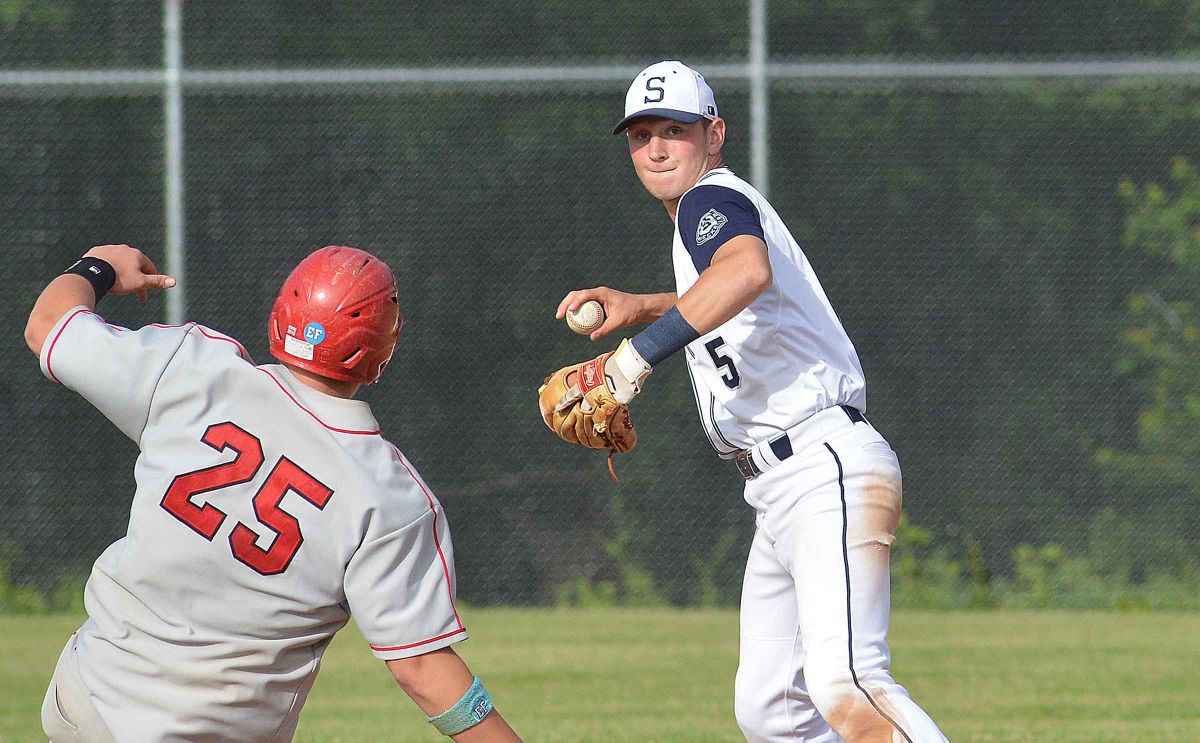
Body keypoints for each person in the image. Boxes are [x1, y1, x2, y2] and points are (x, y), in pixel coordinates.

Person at [545, 61, 947, 742]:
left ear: (715, 133)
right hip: (780, 487)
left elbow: (747, 272)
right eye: (641, 135)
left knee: (848, 681)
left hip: (821, 466)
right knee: (773, 711)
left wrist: (632, 359)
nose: (658, 148)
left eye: (675, 129)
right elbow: (747, 295)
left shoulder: (711, 201)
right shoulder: (705, 224)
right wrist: (642, 306)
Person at [25, 244, 520, 742]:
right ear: (383, 347)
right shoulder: (388, 497)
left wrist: (99, 266)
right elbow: (421, 669)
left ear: (282, 312)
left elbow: (48, 325)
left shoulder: (191, 369)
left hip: (86, 700)